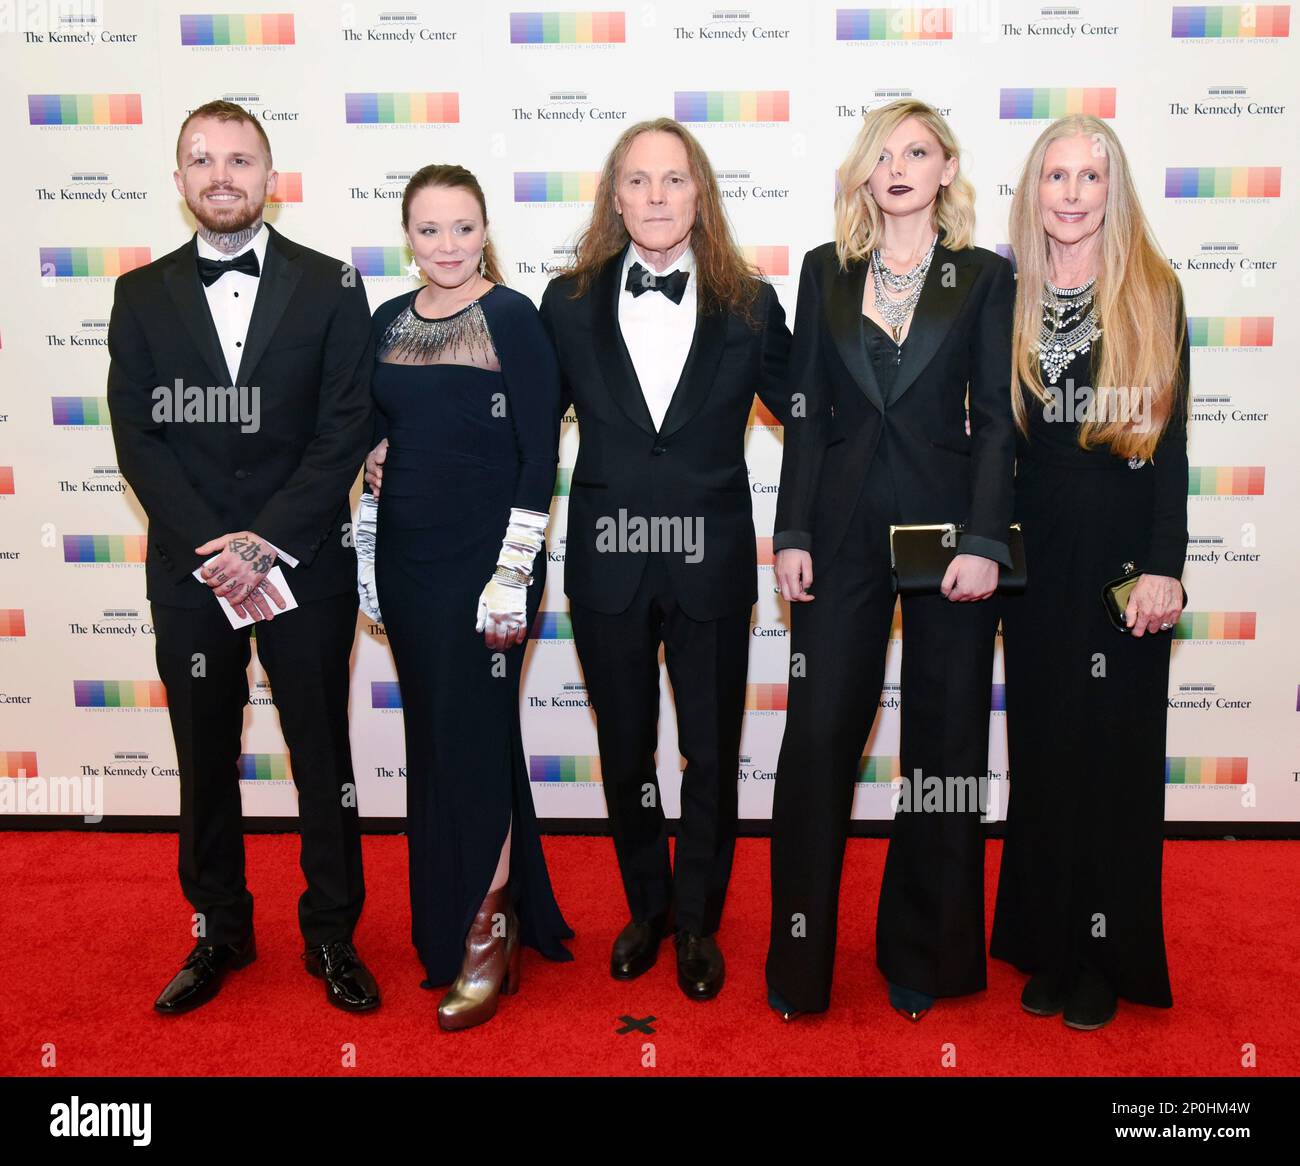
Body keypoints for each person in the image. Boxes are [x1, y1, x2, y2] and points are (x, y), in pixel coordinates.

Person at [107, 100, 379, 1015]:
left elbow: (346, 427)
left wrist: (267, 544)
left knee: (320, 750)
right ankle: (218, 931)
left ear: (271, 176)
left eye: (240, 159)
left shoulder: (333, 285)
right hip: (190, 575)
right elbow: (139, 439)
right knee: (203, 757)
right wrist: (213, 552)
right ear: (179, 179)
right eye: (201, 160)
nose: (221, 175)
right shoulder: (139, 295)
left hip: (302, 563)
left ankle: (333, 933)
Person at [765, 99, 1015, 1021]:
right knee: (819, 738)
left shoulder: (986, 278)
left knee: (943, 744)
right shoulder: (825, 273)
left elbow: (996, 422)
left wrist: (987, 541)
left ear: (946, 169)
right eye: (883, 154)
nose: (899, 167)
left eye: (918, 152)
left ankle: (926, 953)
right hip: (835, 533)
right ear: (864, 173)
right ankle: (799, 962)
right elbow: (802, 419)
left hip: (950, 537)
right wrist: (791, 532)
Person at [540, 118, 791, 1001]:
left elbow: (814, 412)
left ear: (700, 195)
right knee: (626, 750)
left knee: (713, 752)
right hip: (608, 561)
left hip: (712, 561)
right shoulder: (565, 303)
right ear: (615, 196)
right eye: (638, 181)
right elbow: (527, 432)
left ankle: (697, 920)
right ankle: (646, 906)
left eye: (673, 180)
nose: (655, 197)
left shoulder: (752, 304)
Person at [359, 164, 573, 1031]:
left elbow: (537, 453)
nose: (447, 246)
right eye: (429, 230)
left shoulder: (514, 319)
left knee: (478, 738)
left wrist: (513, 569)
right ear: (407, 237)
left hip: (492, 562)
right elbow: (375, 424)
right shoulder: (384, 322)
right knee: (436, 738)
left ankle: (488, 937)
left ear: (487, 231)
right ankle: (453, 918)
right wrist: (370, 455)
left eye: (463, 228)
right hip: (410, 559)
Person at [990, 116, 1189, 1031]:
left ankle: (1106, 955)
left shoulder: (1155, 292)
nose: (1071, 194)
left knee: (1112, 756)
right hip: (1034, 555)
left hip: (1120, 556)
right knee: (1042, 752)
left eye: (1090, 178)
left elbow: (1175, 452)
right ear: (1035, 191)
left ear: (1116, 191)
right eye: (1055, 177)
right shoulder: (1010, 292)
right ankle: (1049, 943)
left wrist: (1164, 567)